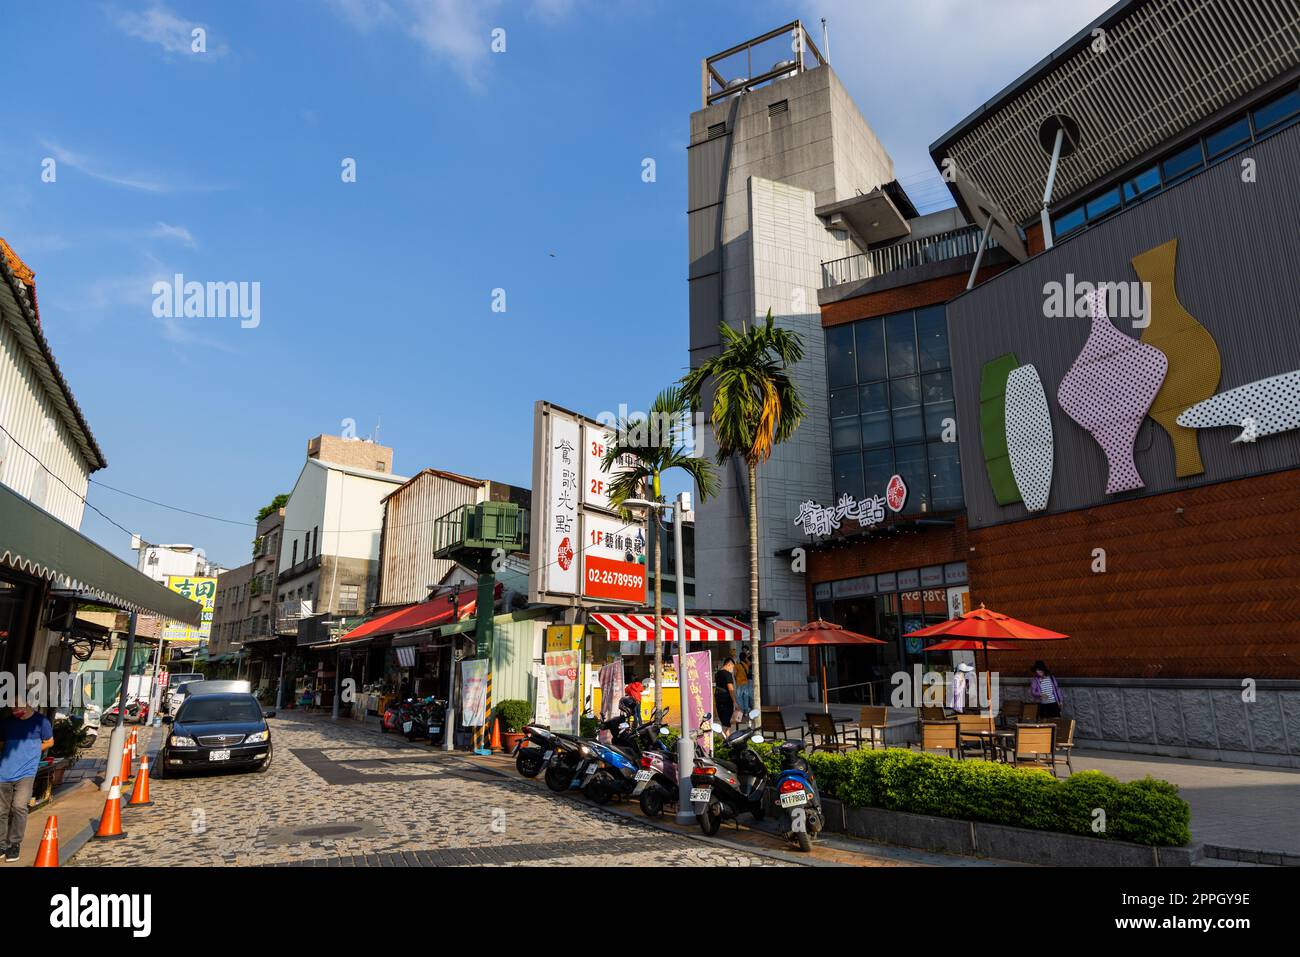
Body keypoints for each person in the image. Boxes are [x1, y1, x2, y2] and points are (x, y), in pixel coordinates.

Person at [1, 703, 54, 862]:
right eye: (12, 707)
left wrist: (31, 752)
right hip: (4, 772)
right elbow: (2, 744)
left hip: (26, 773)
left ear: (28, 704)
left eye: (18, 706)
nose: (15, 710)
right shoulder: (6, 723)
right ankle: (1, 844)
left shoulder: (41, 721)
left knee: (19, 806)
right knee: (1, 810)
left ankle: (14, 844)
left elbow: (49, 741)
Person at [714, 657, 737, 729]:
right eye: (732, 667)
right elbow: (730, 688)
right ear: (729, 664)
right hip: (726, 700)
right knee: (727, 723)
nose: (732, 669)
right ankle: (727, 739)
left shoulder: (717, 673)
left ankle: (726, 737)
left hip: (718, 699)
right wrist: (734, 701)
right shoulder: (727, 674)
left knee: (724, 722)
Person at [734, 647, 752, 721]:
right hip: (745, 683)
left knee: (739, 697)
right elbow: (747, 672)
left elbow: (735, 674)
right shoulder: (746, 665)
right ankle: (746, 712)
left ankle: (741, 711)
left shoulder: (737, 665)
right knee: (745, 697)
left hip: (739, 683)